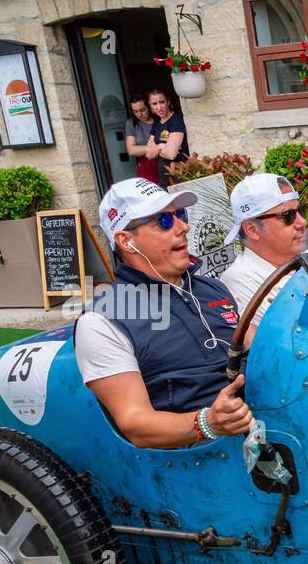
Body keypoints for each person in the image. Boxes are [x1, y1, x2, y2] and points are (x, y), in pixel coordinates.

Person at [75, 177, 251, 449]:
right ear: (126, 240)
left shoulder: (213, 288)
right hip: (199, 457)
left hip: (262, 425)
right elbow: (135, 423)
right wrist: (208, 423)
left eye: (180, 214)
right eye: (164, 222)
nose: (184, 227)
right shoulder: (101, 320)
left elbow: (258, 345)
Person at [220, 173, 306, 347]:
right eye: (288, 215)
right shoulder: (240, 279)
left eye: (301, 211)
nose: (302, 222)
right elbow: (273, 350)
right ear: (252, 229)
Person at [147, 88, 189, 186]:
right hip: (163, 176)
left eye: (162, 102)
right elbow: (149, 154)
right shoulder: (156, 123)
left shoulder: (176, 120)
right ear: (150, 106)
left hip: (179, 175)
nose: (159, 107)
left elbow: (171, 155)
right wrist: (163, 147)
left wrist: (157, 147)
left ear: (168, 102)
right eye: (154, 104)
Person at [123, 94, 161, 185]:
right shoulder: (131, 124)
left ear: (149, 106)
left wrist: (141, 149)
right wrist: (158, 147)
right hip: (145, 166)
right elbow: (131, 150)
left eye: (142, 110)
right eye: (135, 111)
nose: (139, 114)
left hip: (165, 163)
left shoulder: (160, 120)